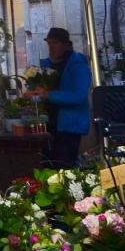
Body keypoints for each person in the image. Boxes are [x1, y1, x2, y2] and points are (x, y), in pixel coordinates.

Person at [39, 27, 93, 167]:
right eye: (49, 43)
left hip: (69, 125)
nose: (51, 47)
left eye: (55, 43)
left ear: (66, 45)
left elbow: (79, 96)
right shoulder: (46, 65)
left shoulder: (78, 66)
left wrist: (48, 95)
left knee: (63, 165)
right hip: (48, 125)